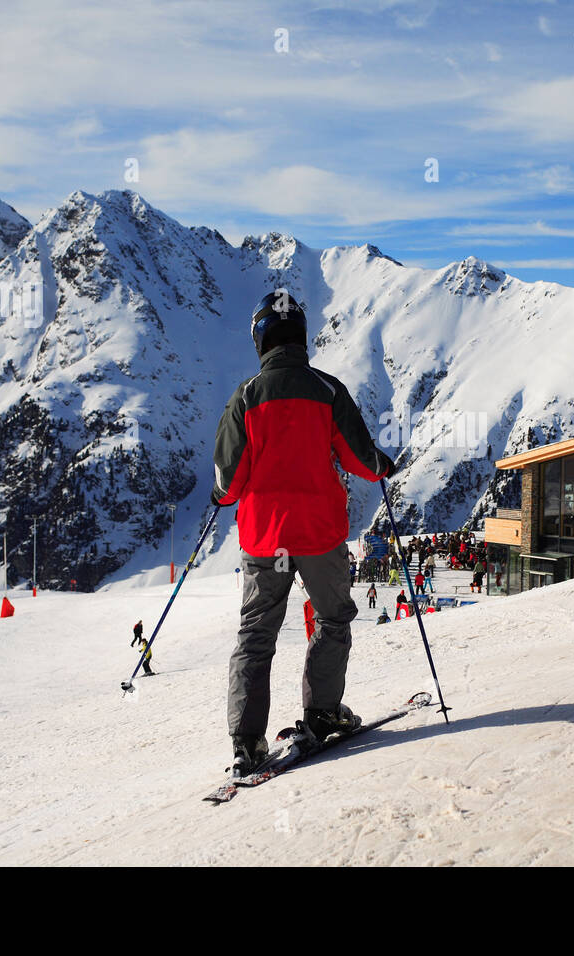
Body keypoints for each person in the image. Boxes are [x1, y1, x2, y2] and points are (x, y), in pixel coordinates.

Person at [212, 290, 395, 777]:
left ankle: (247, 743)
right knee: (333, 619)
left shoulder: (246, 397)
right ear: (301, 337)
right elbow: (361, 461)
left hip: (266, 540)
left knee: (257, 634)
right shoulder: (329, 391)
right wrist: (382, 466)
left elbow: (228, 482)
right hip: (318, 535)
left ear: (260, 338)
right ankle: (322, 712)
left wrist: (220, 498)